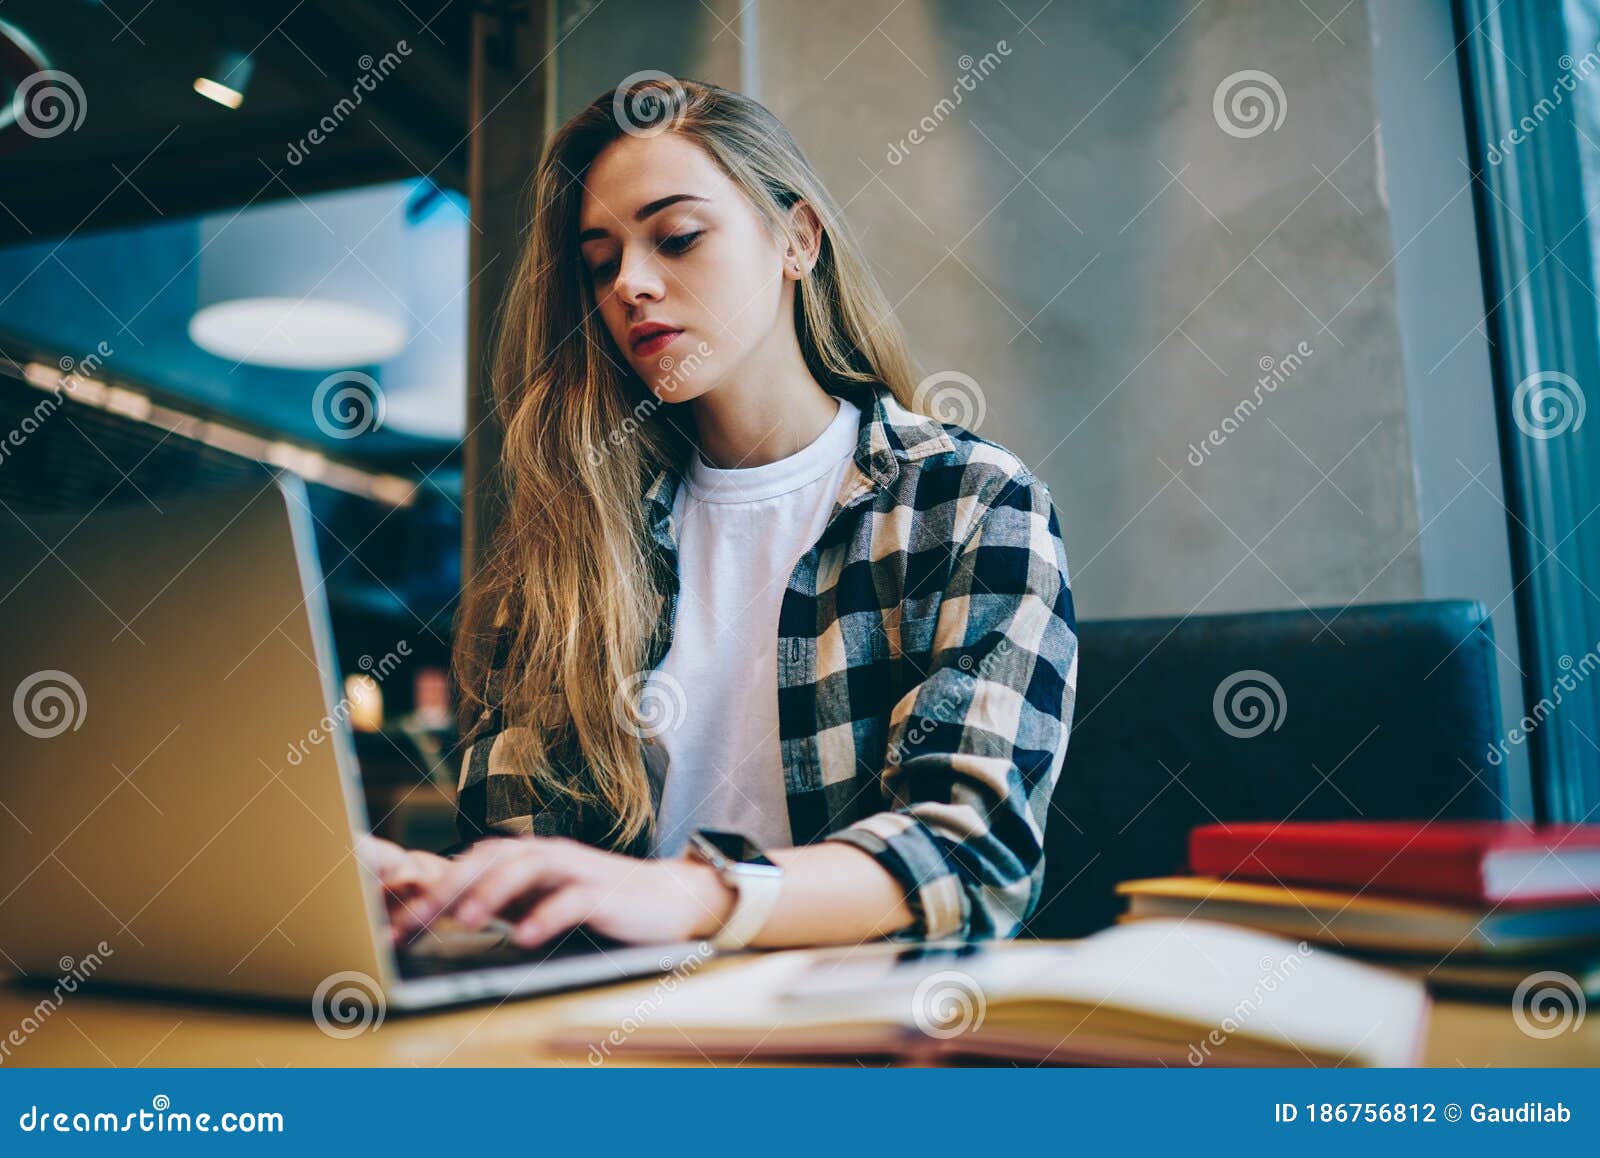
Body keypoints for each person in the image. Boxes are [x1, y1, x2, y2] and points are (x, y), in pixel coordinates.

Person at [367, 76, 1078, 953]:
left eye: (676, 238)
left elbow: (969, 852)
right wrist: (455, 894)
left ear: (797, 240)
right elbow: (524, 848)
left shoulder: (966, 505)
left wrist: (693, 895)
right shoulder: (573, 542)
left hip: (857, 1044)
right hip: (598, 1044)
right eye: (601, 262)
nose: (630, 283)